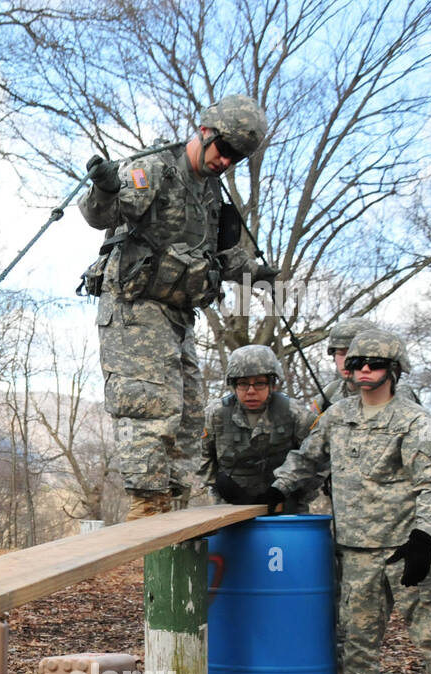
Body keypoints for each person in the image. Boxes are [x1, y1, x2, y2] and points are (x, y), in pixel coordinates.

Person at [268, 329, 431, 674]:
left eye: (374, 364)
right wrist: (272, 491)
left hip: (411, 549)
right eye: (356, 363)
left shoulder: (415, 422)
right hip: (356, 551)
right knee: (354, 639)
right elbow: (307, 462)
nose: (363, 370)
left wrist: (423, 539)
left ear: (393, 371)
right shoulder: (337, 417)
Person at [80, 95, 277, 520]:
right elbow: (101, 214)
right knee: (149, 400)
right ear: (204, 132)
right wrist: (105, 186)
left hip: (179, 314)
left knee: (189, 410)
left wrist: (255, 273)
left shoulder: (210, 194)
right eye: (223, 150)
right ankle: (147, 502)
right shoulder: (155, 168)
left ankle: (174, 497)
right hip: (135, 305)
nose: (226, 161)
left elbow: (220, 257)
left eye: (236, 158)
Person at [200, 344, 316, 509]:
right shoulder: (215, 414)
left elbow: (315, 457)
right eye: (243, 383)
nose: (251, 391)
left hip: (284, 504)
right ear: (233, 385)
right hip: (229, 506)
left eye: (260, 383)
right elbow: (202, 460)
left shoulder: (295, 413)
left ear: (272, 384)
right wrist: (218, 485)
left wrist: (285, 489)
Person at [316, 318, 420, 412]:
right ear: (333, 355)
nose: (348, 361)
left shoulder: (395, 392)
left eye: (356, 356)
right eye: (342, 353)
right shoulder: (330, 392)